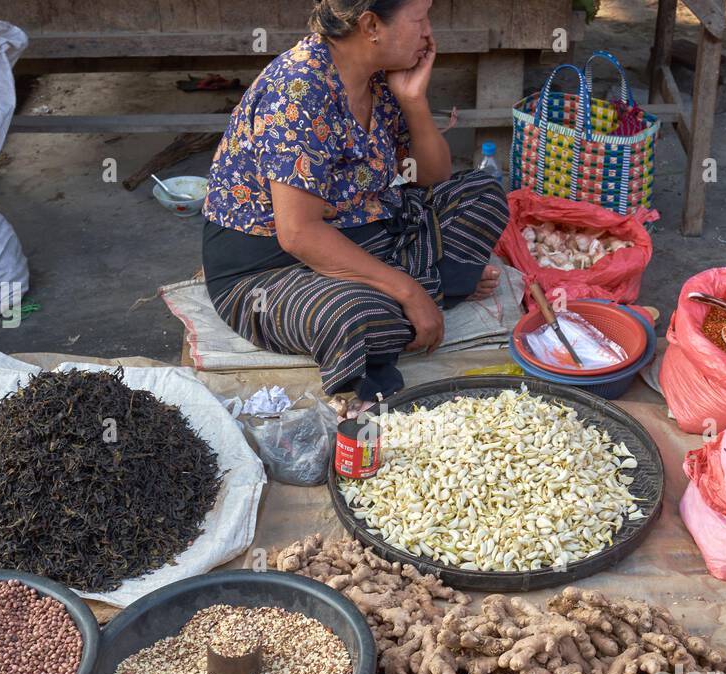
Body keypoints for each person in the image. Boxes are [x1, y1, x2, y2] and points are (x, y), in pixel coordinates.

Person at [201, 0, 510, 401]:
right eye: (419, 19)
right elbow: (298, 235)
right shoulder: (299, 90)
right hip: (269, 270)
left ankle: (424, 287)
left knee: (481, 194)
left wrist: (413, 101)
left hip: (362, 231)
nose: (429, 34)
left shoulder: (376, 78)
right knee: (350, 316)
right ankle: (438, 286)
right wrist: (408, 291)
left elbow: (432, 176)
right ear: (371, 26)